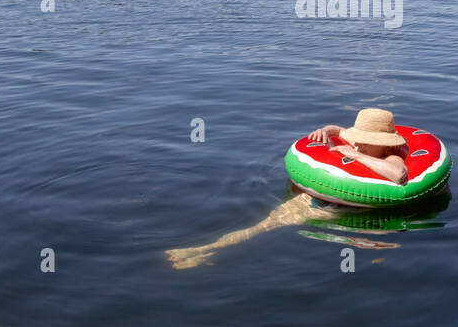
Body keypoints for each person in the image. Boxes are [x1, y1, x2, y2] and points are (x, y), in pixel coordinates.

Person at [165, 108, 409, 269]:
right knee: (266, 225)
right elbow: (338, 129)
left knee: (266, 226)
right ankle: (206, 250)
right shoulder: (362, 143)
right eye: (359, 139)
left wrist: (354, 155)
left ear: (386, 144)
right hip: (326, 200)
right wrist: (325, 131)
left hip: (347, 209)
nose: (359, 144)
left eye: (367, 141)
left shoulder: (392, 156)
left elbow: (398, 175)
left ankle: (205, 251)